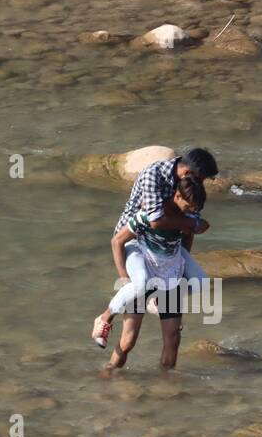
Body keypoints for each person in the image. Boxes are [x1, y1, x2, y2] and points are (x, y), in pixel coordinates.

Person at [91, 148, 219, 368]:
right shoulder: (154, 175)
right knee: (129, 339)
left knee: (173, 339)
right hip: (137, 246)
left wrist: (183, 256)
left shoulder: (191, 192)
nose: (201, 185)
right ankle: (109, 368)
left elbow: (189, 229)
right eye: (201, 179)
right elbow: (154, 220)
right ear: (187, 173)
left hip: (168, 262)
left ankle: (165, 387)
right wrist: (124, 279)